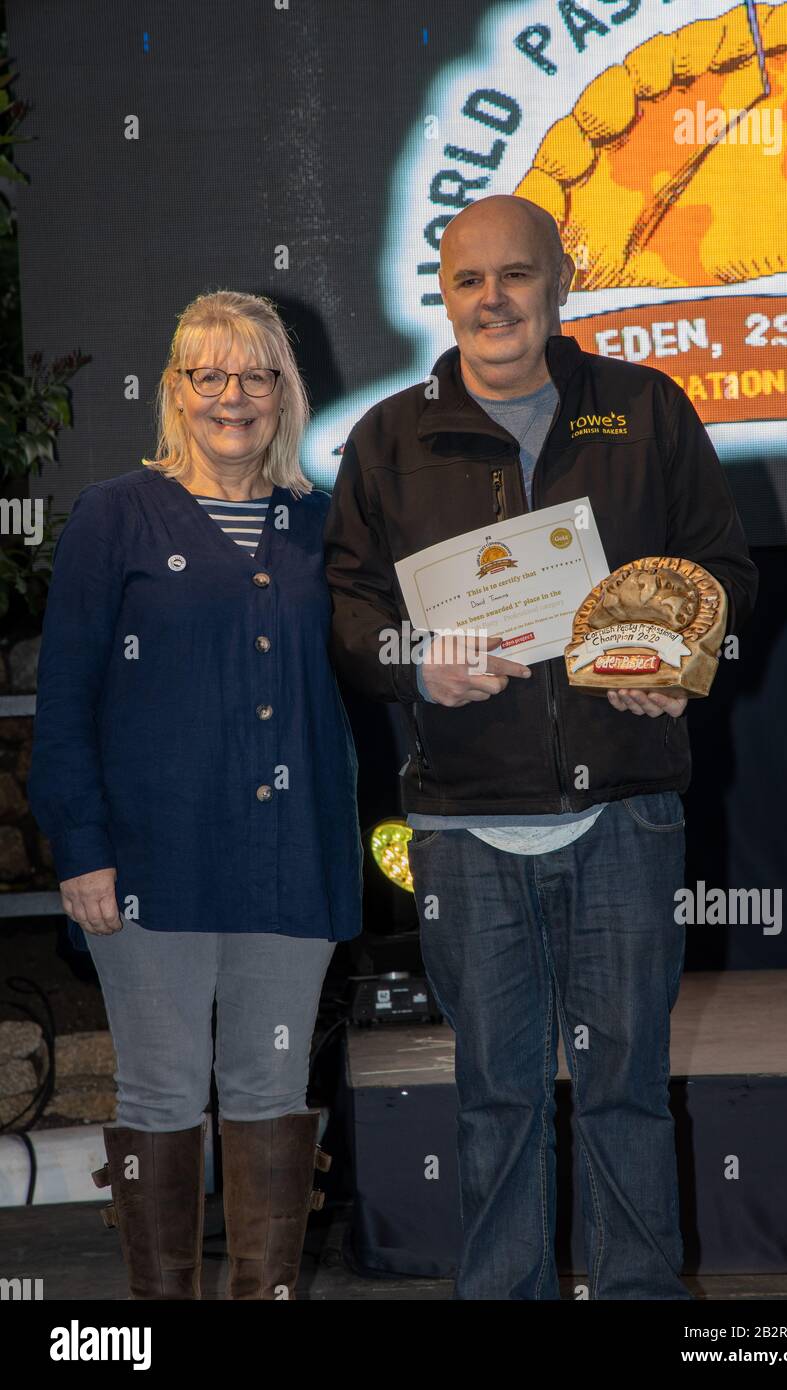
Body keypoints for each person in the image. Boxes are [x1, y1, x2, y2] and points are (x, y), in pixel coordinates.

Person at [323, 194, 758, 1299]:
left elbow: (722, 569)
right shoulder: (387, 437)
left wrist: (683, 659)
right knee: (495, 1098)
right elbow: (348, 612)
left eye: (513, 276)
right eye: (468, 280)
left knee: (623, 1090)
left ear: (556, 285)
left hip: (623, 810)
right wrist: (416, 664)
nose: (491, 300)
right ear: (444, 293)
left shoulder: (644, 409)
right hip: (465, 827)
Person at [28, 290, 363, 1300]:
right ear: (176, 390)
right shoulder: (111, 516)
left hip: (286, 867)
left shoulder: (321, 523)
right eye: (208, 373)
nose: (233, 395)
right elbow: (63, 700)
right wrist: (81, 848)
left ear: (282, 392)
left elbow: (380, 661)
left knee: (270, 1086)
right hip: (150, 869)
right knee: (162, 1090)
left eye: (256, 373)